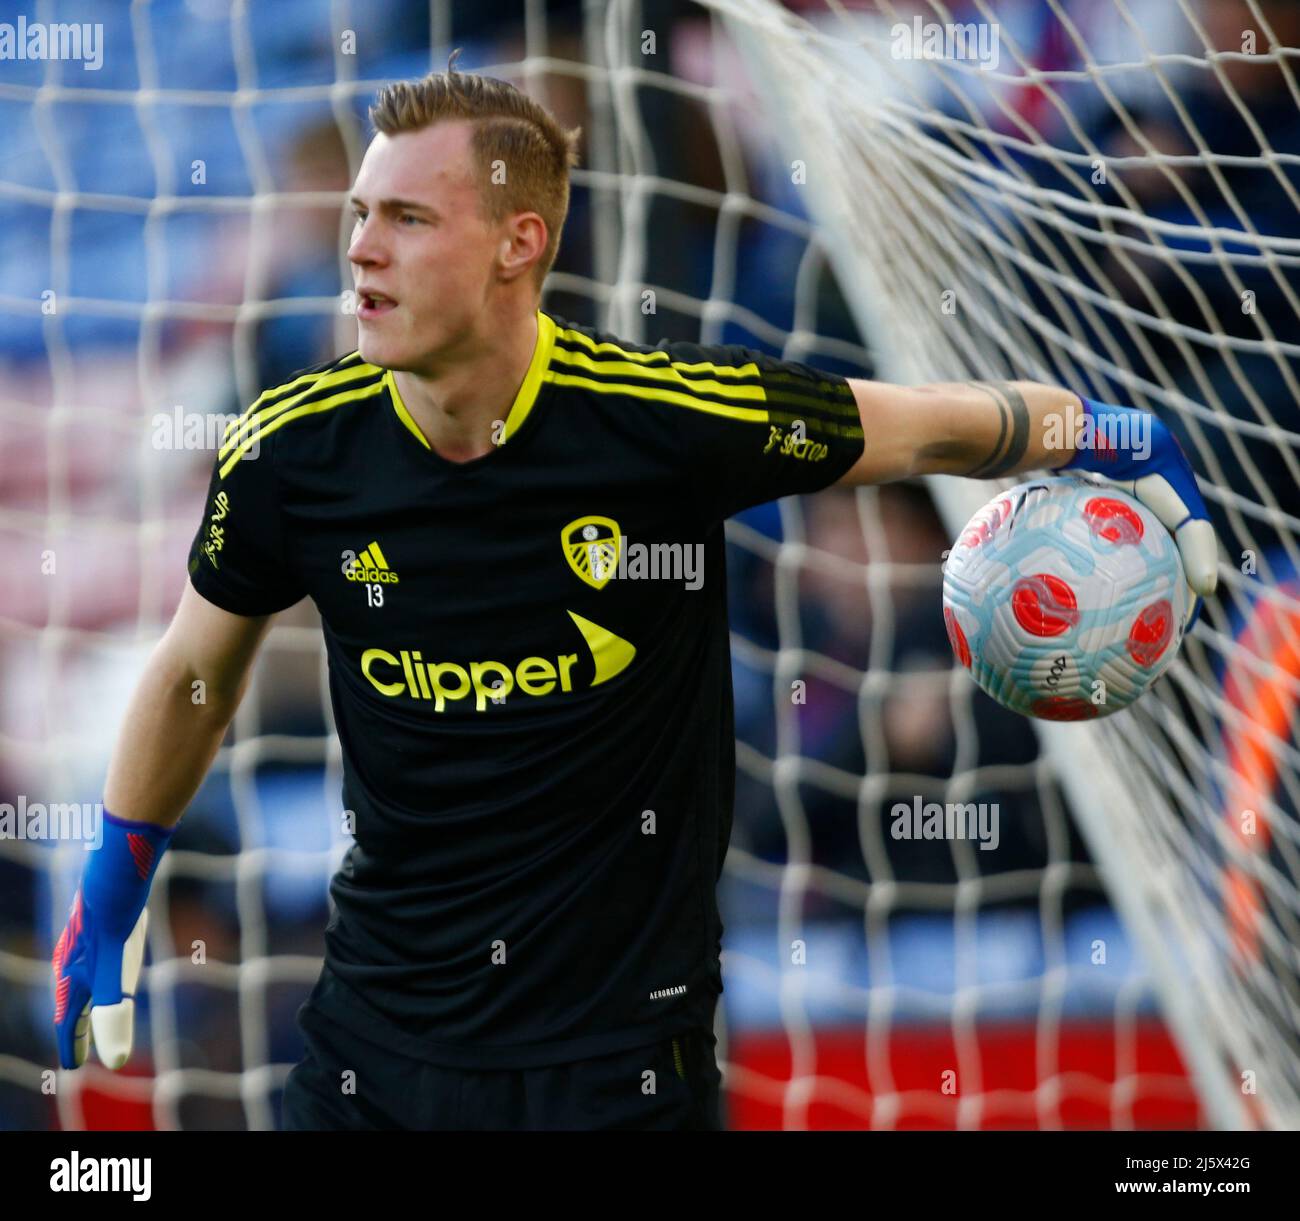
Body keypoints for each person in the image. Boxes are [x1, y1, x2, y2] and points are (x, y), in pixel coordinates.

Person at [51, 61, 1218, 1131]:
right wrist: (118, 868)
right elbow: (196, 673)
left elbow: (926, 429)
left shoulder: (665, 420)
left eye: (407, 218)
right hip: (375, 1051)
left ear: (518, 243)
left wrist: (1098, 429)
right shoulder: (284, 451)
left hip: (619, 1071)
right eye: (360, 215)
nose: (360, 250)